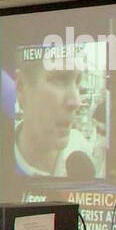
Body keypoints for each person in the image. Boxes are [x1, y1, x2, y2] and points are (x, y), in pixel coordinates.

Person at [13, 49, 99, 179]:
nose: (76, 102)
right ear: (21, 86)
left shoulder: (81, 147)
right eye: (60, 79)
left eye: (77, 82)